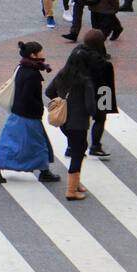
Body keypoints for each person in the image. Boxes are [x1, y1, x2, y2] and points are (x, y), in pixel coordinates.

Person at [0, 40, 60, 184]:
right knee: (38, 144)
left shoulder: (21, 67)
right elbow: (28, 96)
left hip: (18, 112)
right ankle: (43, 171)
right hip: (29, 115)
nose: (43, 54)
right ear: (33, 55)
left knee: (11, 142)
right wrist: (39, 109)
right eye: (41, 51)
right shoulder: (32, 73)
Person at [45, 35, 101, 201]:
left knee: (77, 148)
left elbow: (49, 92)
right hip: (79, 122)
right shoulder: (86, 81)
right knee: (78, 152)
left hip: (64, 121)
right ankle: (71, 190)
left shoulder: (63, 73)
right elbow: (91, 107)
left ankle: (76, 183)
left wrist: (61, 99)